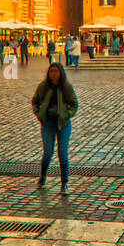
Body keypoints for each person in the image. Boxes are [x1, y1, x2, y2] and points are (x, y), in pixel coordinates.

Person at [31, 62, 78, 195]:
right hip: (48, 123)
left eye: (56, 71)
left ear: (61, 73)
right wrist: (38, 112)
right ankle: (43, 176)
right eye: (51, 71)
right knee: (47, 153)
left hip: (63, 123)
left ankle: (64, 182)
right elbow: (35, 100)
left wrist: (68, 114)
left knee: (62, 154)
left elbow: (74, 104)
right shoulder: (43, 87)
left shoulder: (66, 87)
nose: (54, 73)